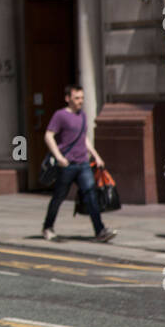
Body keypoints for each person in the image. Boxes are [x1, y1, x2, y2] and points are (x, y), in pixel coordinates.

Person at [41, 84, 116, 242]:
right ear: (68, 99)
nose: (80, 101)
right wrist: (59, 157)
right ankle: (48, 227)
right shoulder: (60, 115)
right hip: (67, 165)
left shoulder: (82, 116)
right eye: (76, 98)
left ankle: (100, 230)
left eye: (82, 98)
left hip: (83, 164)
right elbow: (48, 136)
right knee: (59, 197)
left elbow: (84, 138)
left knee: (91, 195)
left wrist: (96, 156)